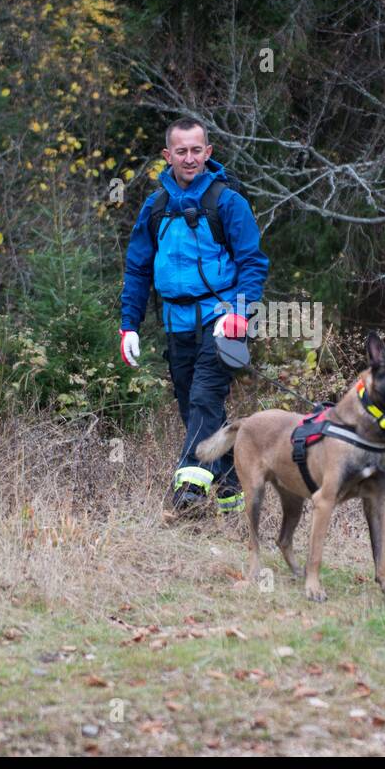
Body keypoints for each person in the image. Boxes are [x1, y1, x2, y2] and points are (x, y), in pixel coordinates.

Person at [119, 117, 269, 519]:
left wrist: (238, 313)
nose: (189, 158)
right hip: (176, 322)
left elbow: (252, 263)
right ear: (168, 156)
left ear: (209, 152)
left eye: (196, 150)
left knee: (205, 397)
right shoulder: (155, 208)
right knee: (193, 408)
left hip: (221, 321)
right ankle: (233, 493)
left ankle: (188, 489)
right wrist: (128, 325)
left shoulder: (228, 202)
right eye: (181, 151)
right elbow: (137, 270)